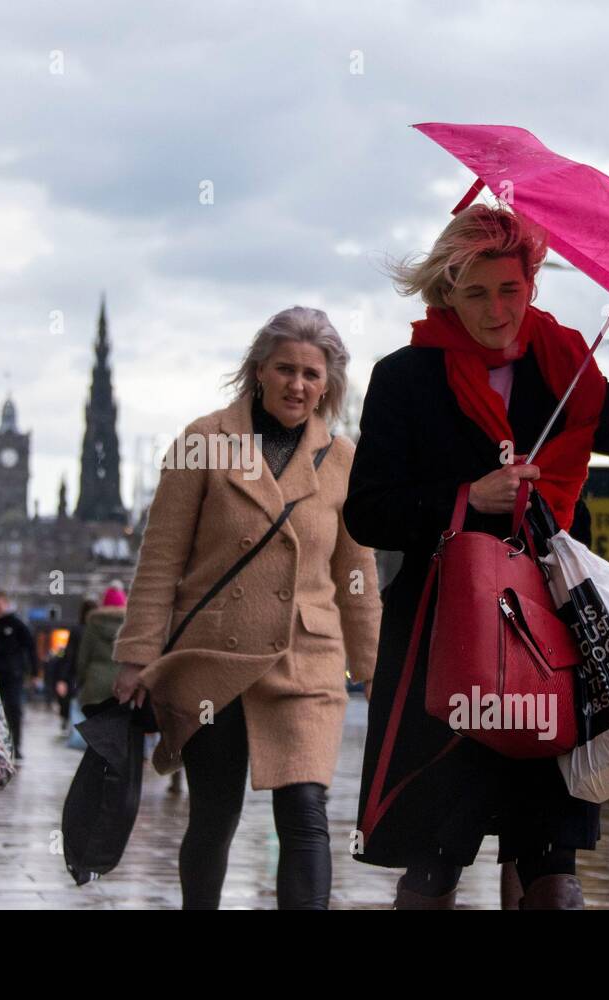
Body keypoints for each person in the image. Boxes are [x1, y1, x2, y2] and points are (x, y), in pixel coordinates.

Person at [346, 203, 609, 909]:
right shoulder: (405, 377)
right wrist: (467, 497)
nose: (496, 310)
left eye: (510, 291)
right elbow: (367, 510)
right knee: (433, 865)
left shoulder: (563, 363)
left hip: (550, 636)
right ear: (447, 290)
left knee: (552, 872)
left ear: (531, 286)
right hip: (445, 641)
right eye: (475, 293)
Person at [112, 306, 381, 910]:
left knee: (306, 812)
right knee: (213, 813)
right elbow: (160, 561)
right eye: (285, 369)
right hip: (213, 658)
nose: (297, 385)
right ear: (258, 370)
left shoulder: (342, 461)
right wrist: (135, 658)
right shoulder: (203, 441)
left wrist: (373, 666)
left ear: (328, 383)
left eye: (312, 374)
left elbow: (356, 574)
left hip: (306, 661)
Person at [0, 590, 37, 760]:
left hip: (14, 674)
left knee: (14, 710)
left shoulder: (16, 625)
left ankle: (16, 745)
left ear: (6, 604)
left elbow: (31, 647)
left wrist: (34, 672)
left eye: (0, 605)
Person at [74, 586, 129, 709]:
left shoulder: (93, 624)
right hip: (123, 683)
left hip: (95, 683)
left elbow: (83, 658)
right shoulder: (130, 626)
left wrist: (81, 680)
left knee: (95, 726)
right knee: (119, 726)